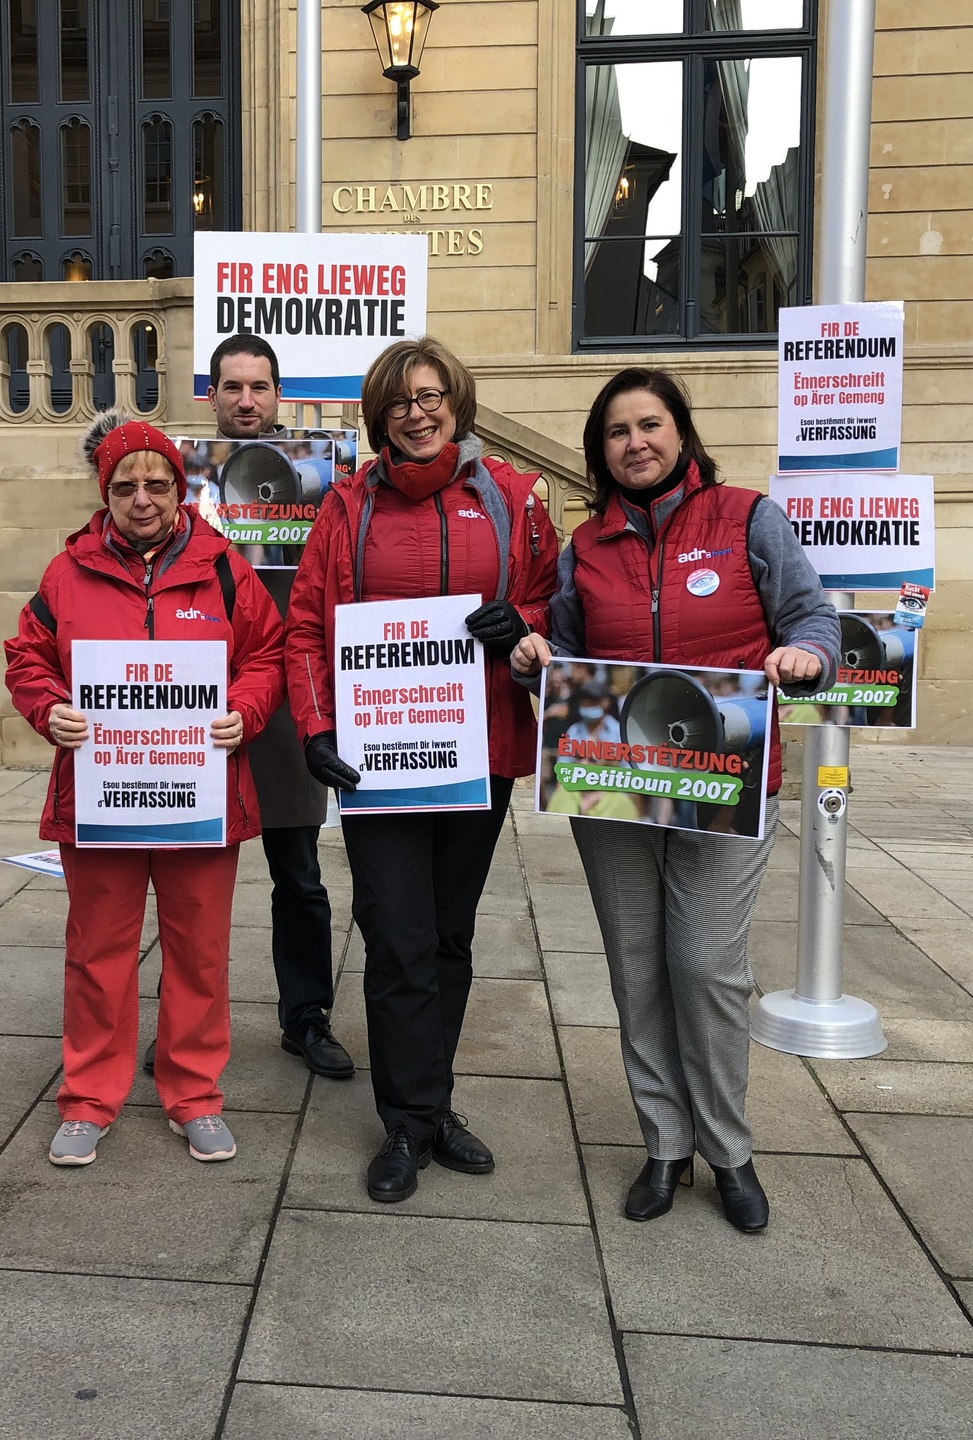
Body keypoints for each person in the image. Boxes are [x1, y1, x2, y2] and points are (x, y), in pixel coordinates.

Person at [509, 367, 840, 1234]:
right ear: (601, 451)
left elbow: (814, 619)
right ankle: (665, 1143)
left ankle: (729, 1150)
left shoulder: (748, 518)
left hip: (722, 785)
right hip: (616, 788)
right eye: (617, 432)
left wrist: (804, 656)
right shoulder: (587, 548)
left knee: (704, 965)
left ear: (681, 433)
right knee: (637, 963)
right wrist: (536, 660)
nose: (636, 443)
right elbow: (567, 655)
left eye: (650, 425)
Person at [285, 336, 558, 1203]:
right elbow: (305, 627)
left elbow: (556, 598)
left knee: (448, 936)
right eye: (400, 400)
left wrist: (523, 624)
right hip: (382, 761)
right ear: (380, 415)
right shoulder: (345, 507)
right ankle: (406, 1122)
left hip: (480, 756)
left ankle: (434, 1105)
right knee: (398, 938)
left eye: (432, 395)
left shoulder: (514, 498)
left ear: (457, 402)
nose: (418, 411)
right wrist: (315, 726)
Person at [4, 415, 286, 1168]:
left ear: (178, 488)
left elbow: (268, 655)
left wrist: (245, 710)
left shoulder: (227, 567)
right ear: (106, 491)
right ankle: (89, 1098)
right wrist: (48, 708)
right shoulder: (67, 573)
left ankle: (193, 1094)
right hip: (101, 801)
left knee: (200, 952)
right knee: (98, 951)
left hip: (202, 796)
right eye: (125, 486)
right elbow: (27, 658)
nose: (141, 499)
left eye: (156, 484)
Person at [203, 334, 353, 1081]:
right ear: (212, 396)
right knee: (192, 875)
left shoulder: (319, 482)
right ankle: (186, 1019)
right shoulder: (176, 483)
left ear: (279, 395)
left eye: (259, 387)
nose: (247, 400)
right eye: (233, 387)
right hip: (195, 701)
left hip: (288, 696)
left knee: (298, 873)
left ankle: (307, 1017)